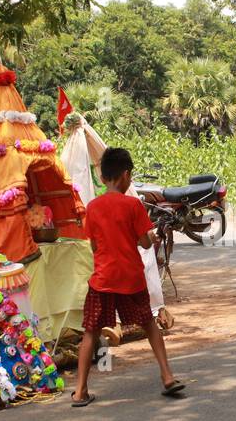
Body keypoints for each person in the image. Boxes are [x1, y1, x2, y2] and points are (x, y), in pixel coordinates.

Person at [70, 147, 185, 406]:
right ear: (126, 175)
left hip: (102, 280)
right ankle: (167, 376)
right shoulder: (133, 205)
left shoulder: (93, 207)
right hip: (130, 279)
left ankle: (79, 391)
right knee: (149, 325)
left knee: (90, 332)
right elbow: (144, 243)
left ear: (102, 178)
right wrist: (153, 236)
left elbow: (95, 247)